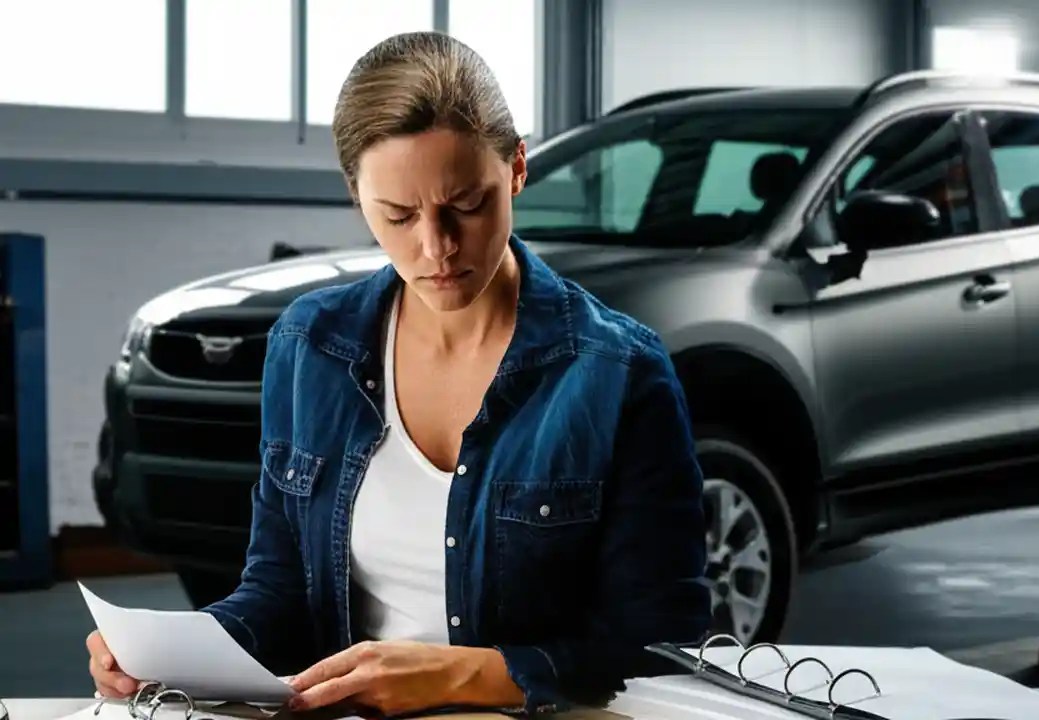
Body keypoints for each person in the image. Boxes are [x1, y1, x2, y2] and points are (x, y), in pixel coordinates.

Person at [87, 31, 710, 716]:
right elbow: (279, 591)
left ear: (517, 167)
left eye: (467, 205)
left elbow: (660, 645)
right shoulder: (311, 344)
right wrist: (173, 651)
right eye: (399, 215)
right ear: (357, 195)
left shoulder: (618, 372)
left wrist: (460, 675)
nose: (436, 246)